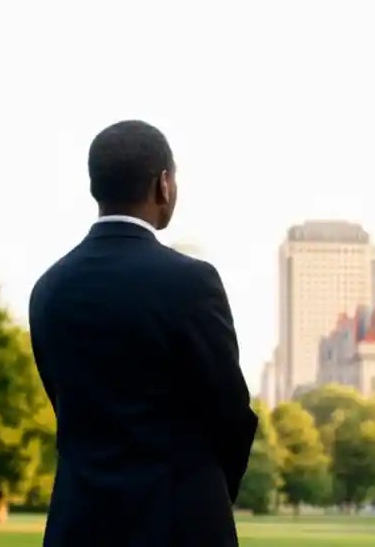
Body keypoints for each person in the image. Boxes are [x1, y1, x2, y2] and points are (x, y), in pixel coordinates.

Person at [29, 120, 258, 547]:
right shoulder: (191, 282)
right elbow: (230, 412)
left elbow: (68, 406)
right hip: (178, 524)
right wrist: (206, 490)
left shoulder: (49, 288)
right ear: (164, 185)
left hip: (78, 525)